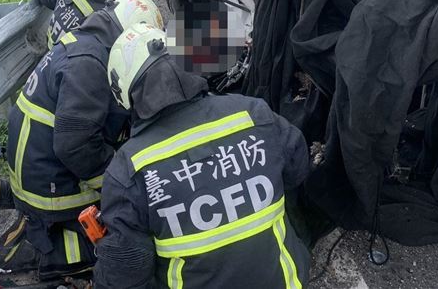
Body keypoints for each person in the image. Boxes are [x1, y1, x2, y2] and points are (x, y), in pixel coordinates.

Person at [94, 24, 311, 288]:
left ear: (125, 90)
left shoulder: (129, 169)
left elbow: (124, 275)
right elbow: (298, 168)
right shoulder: (253, 114)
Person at [0, 0, 164, 280]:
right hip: (50, 192)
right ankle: (43, 256)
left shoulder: (86, 41)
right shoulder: (91, 64)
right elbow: (77, 147)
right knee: (134, 223)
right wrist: (121, 182)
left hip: (37, 169)